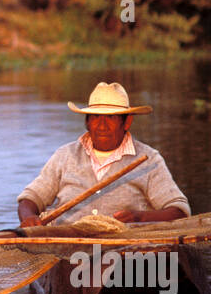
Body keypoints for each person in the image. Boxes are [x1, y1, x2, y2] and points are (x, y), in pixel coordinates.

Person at [17, 82, 190, 229]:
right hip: (67, 251)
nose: (102, 126)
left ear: (127, 122)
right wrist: (29, 217)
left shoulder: (149, 159)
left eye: (111, 118)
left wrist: (140, 218)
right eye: (96, 117)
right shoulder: (65, 155)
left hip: (128, 255)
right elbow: (31, 199)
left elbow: (179, 210)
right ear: (87, 122)